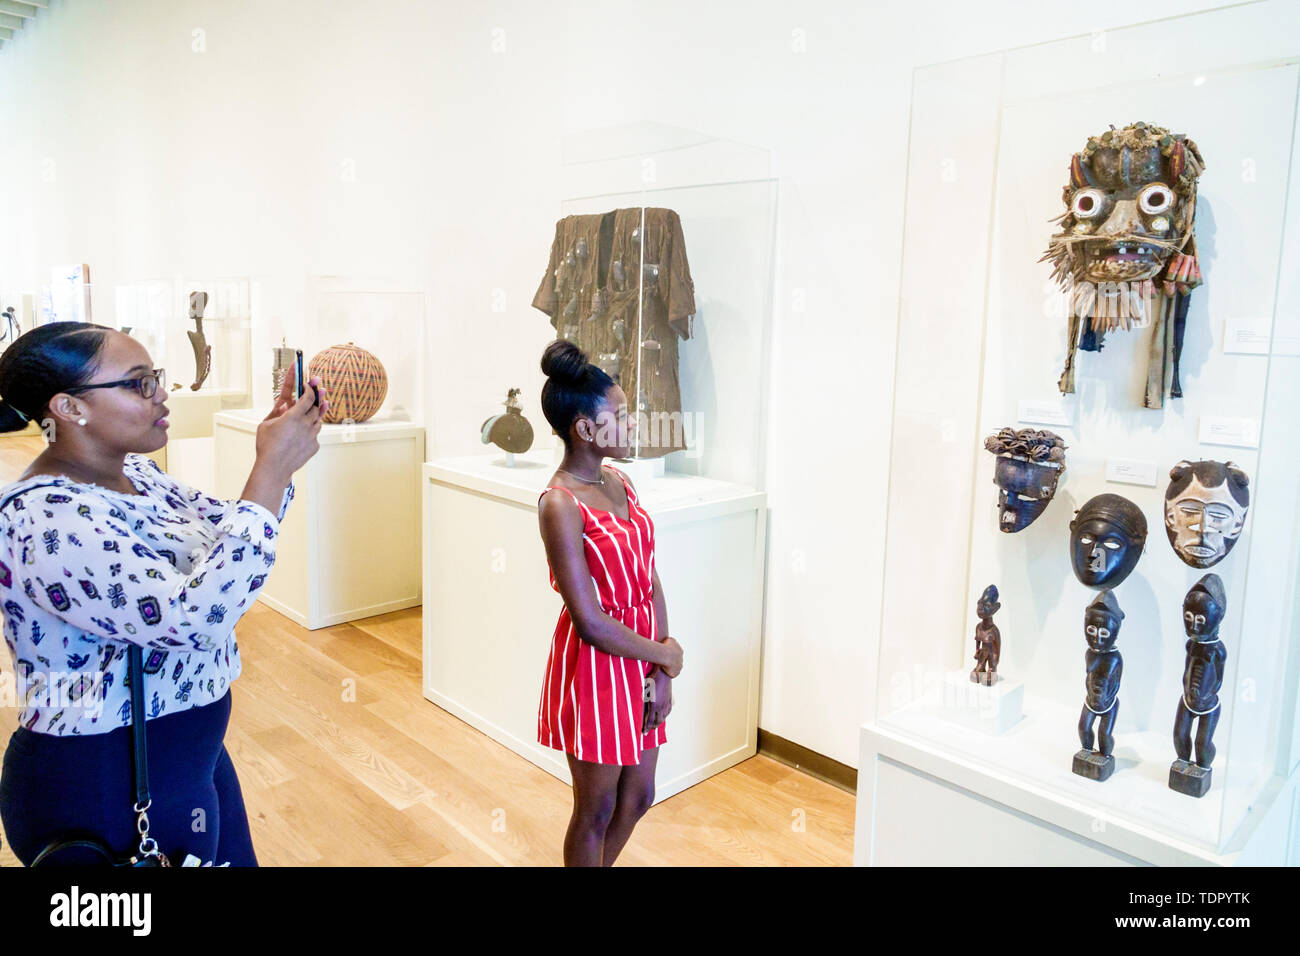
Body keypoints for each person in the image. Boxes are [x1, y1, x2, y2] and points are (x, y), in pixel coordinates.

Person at [0, 321, 326, 866]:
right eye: (138, 383)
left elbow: (234, 534)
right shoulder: (43, 518)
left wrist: (278, 465)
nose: (162, 394)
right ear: (68, 407)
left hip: (182, 754)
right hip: (107, 777)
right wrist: (270, 469)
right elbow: (195, 618)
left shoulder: (138, 475)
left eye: (156, 377)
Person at [534, 339, 684, 867]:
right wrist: (662, 655)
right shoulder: (560, 504)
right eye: (619, 415)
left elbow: (648, 574)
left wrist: (659, 662)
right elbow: (590, 621)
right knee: (595, 808)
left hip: (640, 657)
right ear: (584, 428)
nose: (632, 424)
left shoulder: (620, 481)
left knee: (638, 796)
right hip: (598, 669)